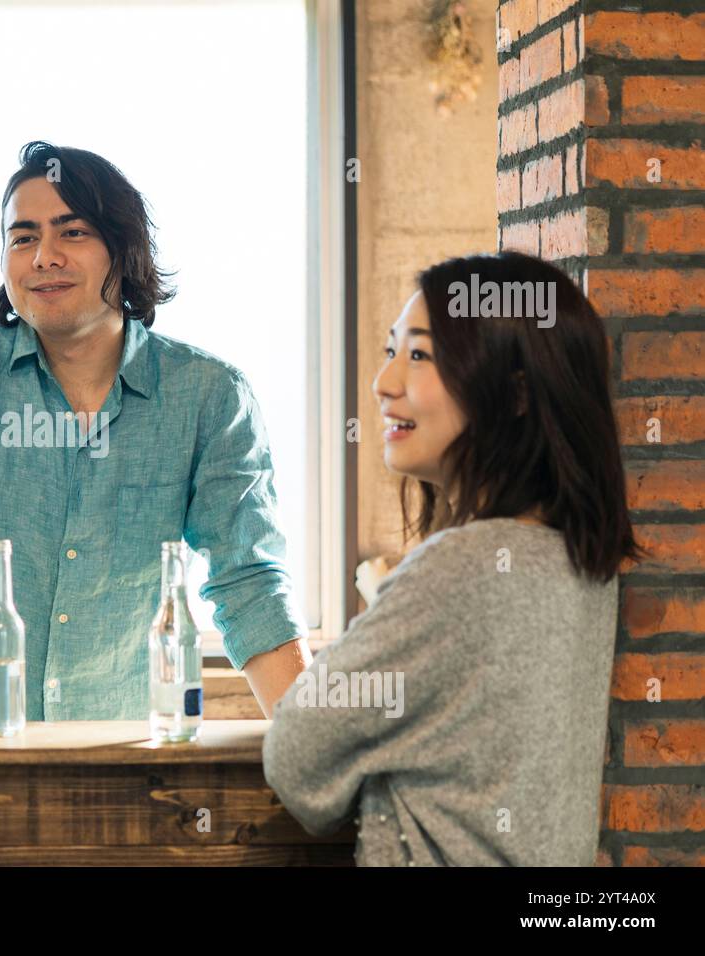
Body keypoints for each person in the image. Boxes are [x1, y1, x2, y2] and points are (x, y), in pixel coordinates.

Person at [0, 141, 309, 722]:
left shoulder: (209, 395)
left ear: (122, 250)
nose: (43, 257)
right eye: (23, 237)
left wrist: (316, 745)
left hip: (123, 755)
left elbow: (248, 579)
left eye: (71, 232)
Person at [263, 252, 641, 866]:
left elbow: (297, 757)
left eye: (419, 355)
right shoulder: (576, 560)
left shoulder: (462, 568)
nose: (385, 382)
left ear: (515, 393)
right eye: (392, 352)